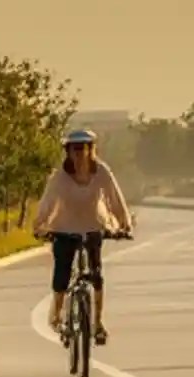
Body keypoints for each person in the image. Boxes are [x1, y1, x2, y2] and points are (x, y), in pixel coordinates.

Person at [32, 128, 134, 347]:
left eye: (84, 149)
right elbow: (47, 202)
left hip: (93, 226)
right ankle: (57, 316)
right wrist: (39, 225)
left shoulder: (102, 172)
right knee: (62, 274)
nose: (79, 154)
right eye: (74, 149)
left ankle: (97, 324)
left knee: (96, 276)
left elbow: (115, 199)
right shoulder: (60, 176)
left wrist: (124, 224)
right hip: (64, 228)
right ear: (67, 152)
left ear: (91, 150)